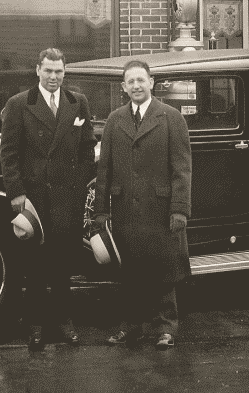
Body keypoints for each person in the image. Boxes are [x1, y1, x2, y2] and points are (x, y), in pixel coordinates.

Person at [93, 59, 192, 350]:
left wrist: (179, 209)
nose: (136, 86)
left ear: (152, 82)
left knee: (163, 271)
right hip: (125, 210)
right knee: (130, 272)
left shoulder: (171, 117)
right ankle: (131, 326)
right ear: (124, 88)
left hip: (160, 210)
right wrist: (101, 210)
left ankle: (165, 328)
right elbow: (105, 170)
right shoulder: (114, 120)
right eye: (130, 82)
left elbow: (182, 168)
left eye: (141, 80)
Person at [0, 48, 94, 350]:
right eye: (48, 71)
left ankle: (64, 322)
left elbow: (86, 150)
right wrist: (16, 193)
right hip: (34, 199)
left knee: (63, 264)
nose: (54, 77)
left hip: (68, 197)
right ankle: (36, 325)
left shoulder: (77, 102)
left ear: (64, 72)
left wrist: (78, 188)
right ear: (37, 70)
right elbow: (9, 154)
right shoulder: (19, 104)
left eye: (59, 72)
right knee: (36, 265)